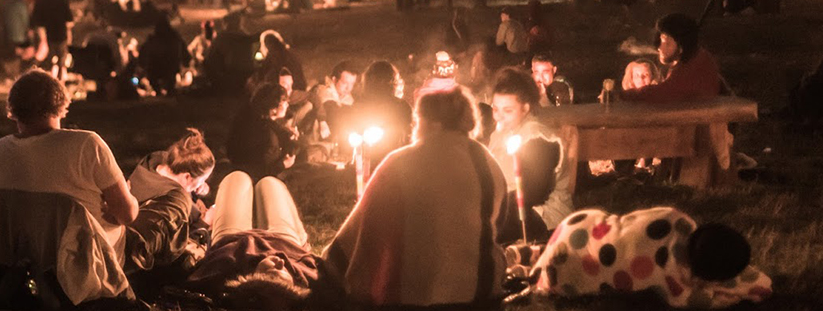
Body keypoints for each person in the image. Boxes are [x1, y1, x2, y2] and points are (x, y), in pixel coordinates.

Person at [0, 71, 137, 305]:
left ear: (12, 110)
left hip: (17, 260)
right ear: (63, 105)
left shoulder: (0, 150)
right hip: (79, 266)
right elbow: (128, 214)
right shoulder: (87, 145)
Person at [323, 86, 510, 308]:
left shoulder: (401, 163)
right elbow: (497, 224)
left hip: (412, 300)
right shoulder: (487, 162)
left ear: (428, 121)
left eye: (416, 120)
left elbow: (359, 233)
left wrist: (328, 265)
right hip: (482, 297)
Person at [531, 207, 772, 307]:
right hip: (573, 269)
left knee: (608, 233)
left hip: (576, 225)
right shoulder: (672, 279)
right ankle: (547, 261)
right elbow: (699, 299)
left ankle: (537, 254)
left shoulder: (676, 218)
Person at [184, 167, 319, 308]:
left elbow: (191, 281)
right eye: (285, 273)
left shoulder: (224, 272)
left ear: (251, 282)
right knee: (270, 183)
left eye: (271, 275)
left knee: (236, 178)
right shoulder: (310, 277)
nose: (280, 262)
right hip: (284, 240)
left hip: (233, 239)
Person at [488, 71, 572, 241]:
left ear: (525, 108)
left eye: (508, 110)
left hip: (541, 217)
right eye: (495, 109)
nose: (499, 116)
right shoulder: (502, 133)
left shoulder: (539, 139)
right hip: (508, 207)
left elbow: (532, 193)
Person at [123, 129, 217, 276]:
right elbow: (171, 249)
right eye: (202, 179)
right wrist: (204, 223)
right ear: (187, 177)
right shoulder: (174, 203)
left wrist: (197, 186)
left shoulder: (154, 162)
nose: (202, 184)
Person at [620, 14, 721, 103]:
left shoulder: (693, 65)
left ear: (681, 47)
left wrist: (622, 95)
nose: (659, 48)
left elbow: (663, 93)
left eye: (666, 43)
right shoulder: (695, 57)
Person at [342, 61, 412, 171]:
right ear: (391, 82)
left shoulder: (358, 106)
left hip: (365, 166)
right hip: (394, 166)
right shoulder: (401, 106)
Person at [227, 83, 298, 180]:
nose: (287, 104)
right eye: (284, 101)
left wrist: (287, 134)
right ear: (273, 109)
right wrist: (284, 164)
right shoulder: (268, 136)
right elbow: (257, 170)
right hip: (260, 180)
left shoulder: (249, 116)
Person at [30, 0, 74, 77]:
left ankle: (49, 80)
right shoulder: (63, 0)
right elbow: (69, 18)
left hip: (50, 33)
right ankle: (58, 81)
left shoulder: (45, 0)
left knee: (50, 59)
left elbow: (38, 18)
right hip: (61, 35)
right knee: (60, 61)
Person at [139, 16, 191, 96]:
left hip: (164, 68)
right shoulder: (174, 38)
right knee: (162, 75)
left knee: (159, 75)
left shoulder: (172, 39)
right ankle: (166, 91)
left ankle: (163, 91)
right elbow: (186, 54)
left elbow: (143, 54)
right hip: (164, 68)